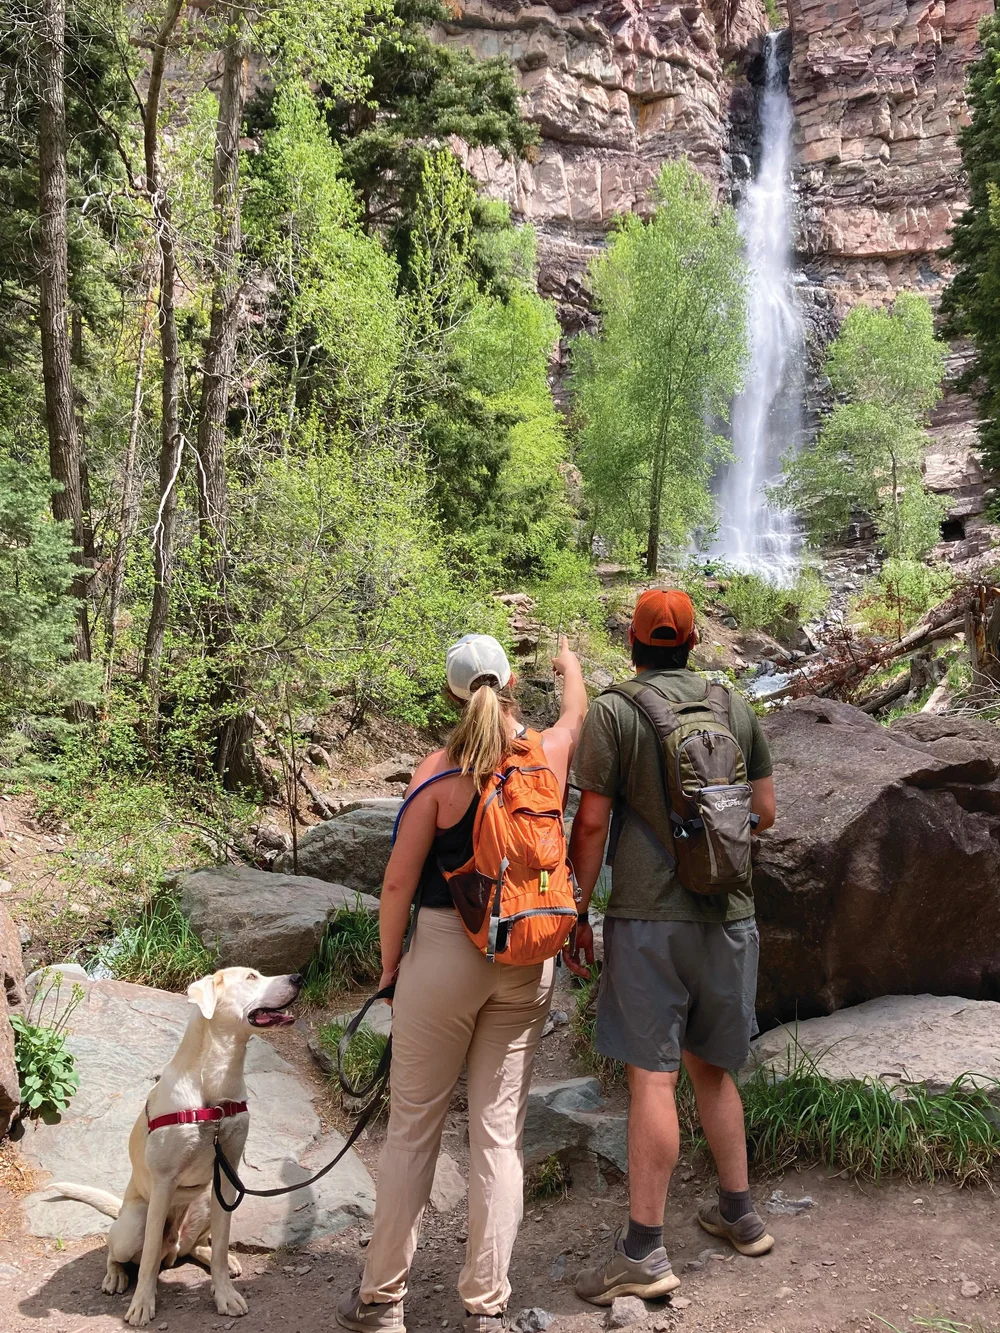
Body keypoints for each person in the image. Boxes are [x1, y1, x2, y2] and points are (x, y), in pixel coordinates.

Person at [337, 632, 588, 1333]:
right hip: (527, 956)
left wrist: (391, 969)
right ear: (509, 683)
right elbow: (575, 715)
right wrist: (569, 667)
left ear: (452, 693)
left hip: (446, 952)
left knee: (413, 1129)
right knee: (498, 1135)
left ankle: (383, 1301)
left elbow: (395, 883)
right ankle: (486, 1306)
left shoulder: (438, 771)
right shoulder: (547, 753)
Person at [563, 588, 776, 1304]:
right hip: (730, 913)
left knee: (653, 1079)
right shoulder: (734, 707)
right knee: (714, 1069)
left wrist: (575, 913)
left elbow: (590, 825)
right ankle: (741, 1214)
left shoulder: (615, 711)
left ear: (633, 641)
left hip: (649, 919)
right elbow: (766, 811)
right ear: (691, 641)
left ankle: (643, 1250)